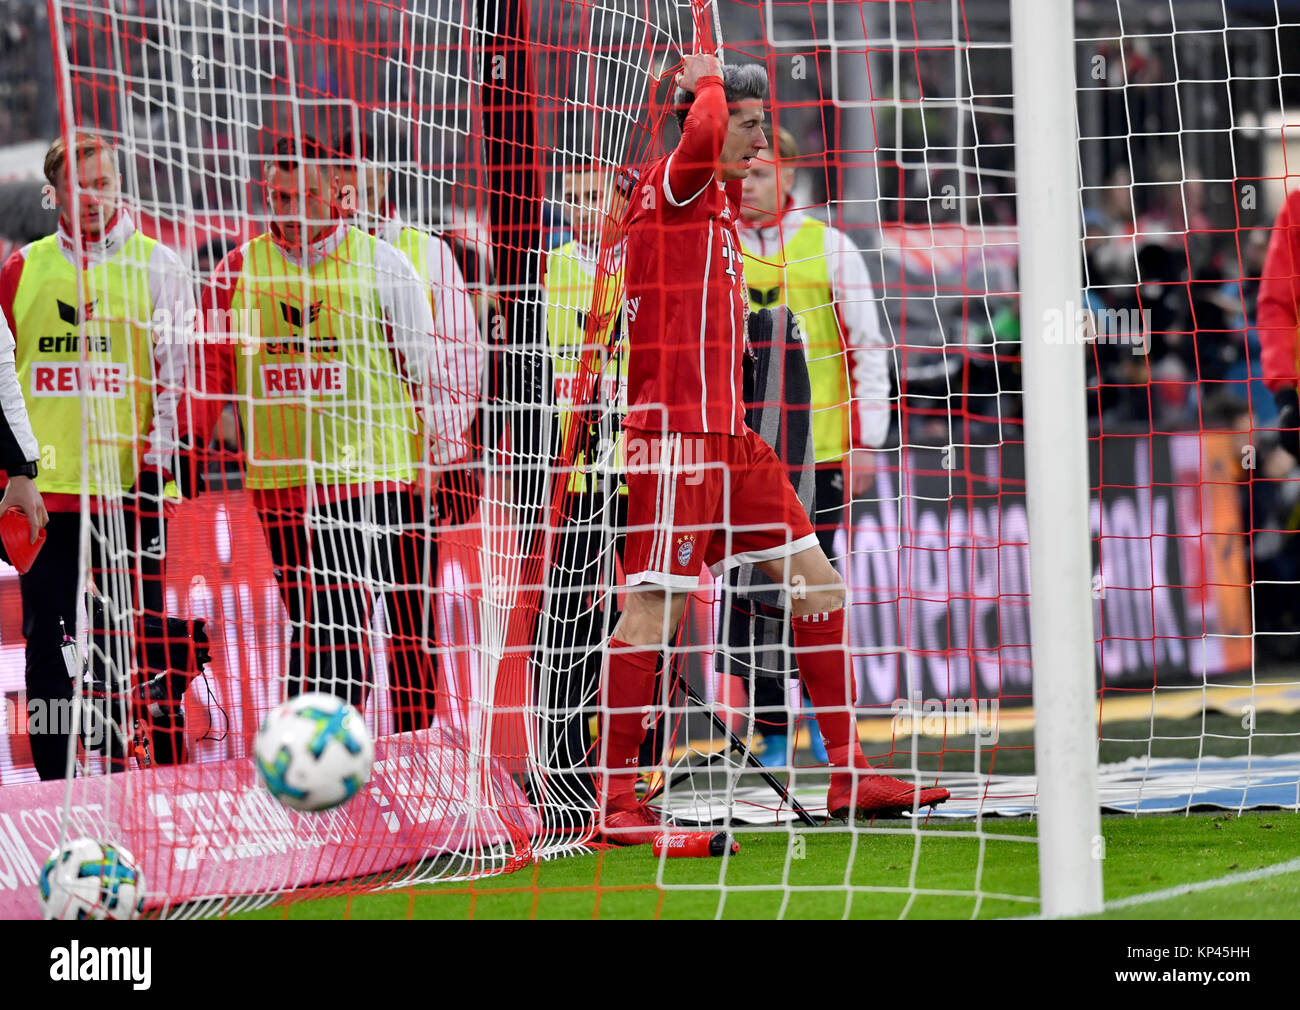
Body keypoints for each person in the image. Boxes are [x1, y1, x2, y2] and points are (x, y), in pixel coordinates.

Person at [599, 56, 949, 843]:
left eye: (762, 126)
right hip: (674, 441)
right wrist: (711, 78)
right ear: (707, 126)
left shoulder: (723, 210)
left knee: (819, 586)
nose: (760, 143)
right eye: (751, 125)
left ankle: (849, 771)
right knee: (652, 608)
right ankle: (616, 799)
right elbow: (709, 127)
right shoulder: (676, 189)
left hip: (738, 443)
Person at [191, 134, 473, 711]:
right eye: (280, 195)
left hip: (371, 481)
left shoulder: (387, 262)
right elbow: (209, 372)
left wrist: (443, 461)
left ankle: (333, 760)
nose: (291, 207)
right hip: (281, 486)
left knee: (339, 627)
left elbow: (432, 369)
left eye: (305, 194)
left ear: (333, 196)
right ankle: (336, 756)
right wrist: (185, 450)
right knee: (315, 623)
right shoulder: (238, 270)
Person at [0, 132, 194, 777]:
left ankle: (137, 773)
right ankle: (54, 781)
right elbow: (3, 382)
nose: (94, 198)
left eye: (104, 183)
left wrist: (156, 466)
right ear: (55, 191)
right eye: (80, 186)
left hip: (128, 494)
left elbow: (179, 379)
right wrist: (10, 477)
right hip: (47, 493)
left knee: (128, 641)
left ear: (119, 185)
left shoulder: (160, 267)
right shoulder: (21, 270)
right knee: (47, 645)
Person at [735, 126, 892, 767]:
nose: (748, 183)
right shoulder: (720, 249)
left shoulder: (828, 248)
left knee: (814, 591)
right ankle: (770, 729)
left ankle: (832, 735)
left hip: (820, 454)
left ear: (790, 178)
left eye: (761, 172)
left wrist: (867, 442)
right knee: (751, 592)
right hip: (741, 455)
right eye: (741, 171)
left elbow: (867, 346)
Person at [332, 127, 483, 731]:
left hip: (407, 477)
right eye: (341, 183)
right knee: (334, 623)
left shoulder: (426, 253)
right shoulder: (319, 261)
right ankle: (336, 751)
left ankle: (419, 743)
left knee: (409, 617)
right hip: (334, 475)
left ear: (384, 181)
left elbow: (461, 359)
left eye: (361, 180)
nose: (350, 193)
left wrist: (436, 453)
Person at [537, 161, 630, 814]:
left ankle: (636, 769)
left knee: (648, 618)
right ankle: (567, 779)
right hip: (578, 473)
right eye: (568, 199)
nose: (578, 209)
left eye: (589, 196)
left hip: (646, 464)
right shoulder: (546, 273)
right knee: (568, 621)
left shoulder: (646, 258)